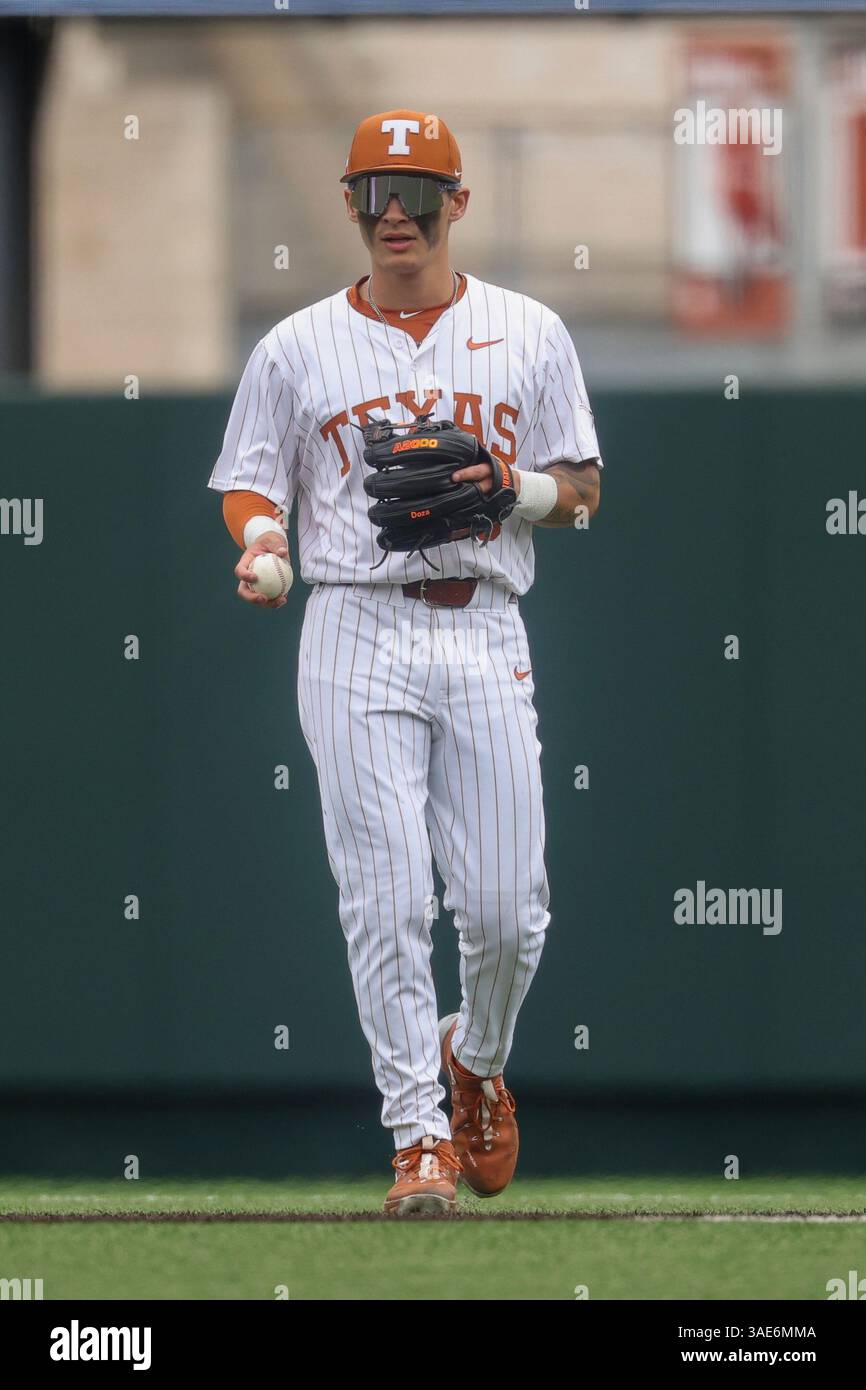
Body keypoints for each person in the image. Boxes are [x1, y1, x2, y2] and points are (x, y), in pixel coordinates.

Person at [208, 109, 602, 1216]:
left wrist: (511, 491)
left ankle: (474, 1060)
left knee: (504, 907)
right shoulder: (294, 346)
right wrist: (265, 541)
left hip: (482, 620)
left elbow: (581, 488)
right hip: (354, 622)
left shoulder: (528, 330)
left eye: (416, 192)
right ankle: (414, 1138)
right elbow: (250, 475)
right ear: (347, 203)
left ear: (456, 205)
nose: (394, 214)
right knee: (384, 897)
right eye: (374, 190)